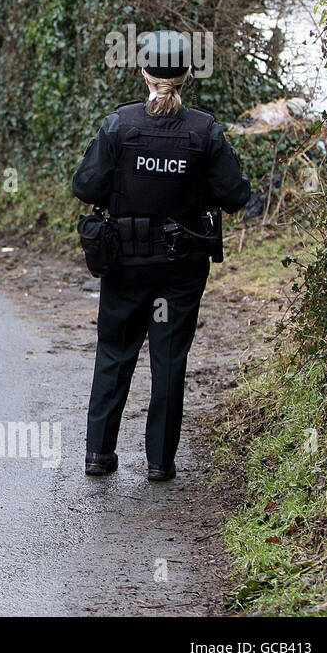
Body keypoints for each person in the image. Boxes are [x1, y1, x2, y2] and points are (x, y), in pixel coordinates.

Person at [72, 30, 250, 481]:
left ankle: (98, 455)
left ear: (144, 75)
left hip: (125, 262)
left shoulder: (119, 125)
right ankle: (159, 463)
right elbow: (236, 195)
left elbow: (85, 187)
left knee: (114, 352)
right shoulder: (205, 131)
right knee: (169, 358)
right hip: (181, 267)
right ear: (188, 75)